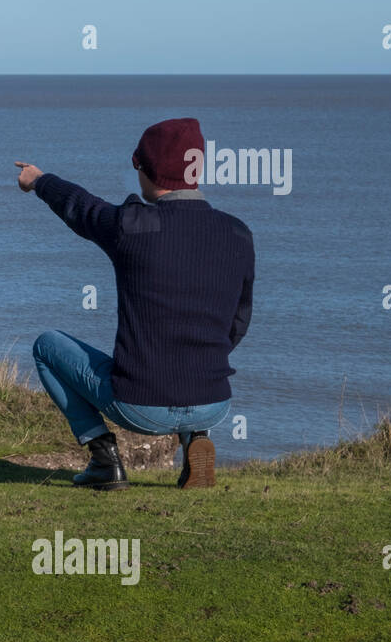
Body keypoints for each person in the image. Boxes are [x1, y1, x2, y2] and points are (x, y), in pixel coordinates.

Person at [15, 118, 254, 490]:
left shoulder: (132, 225)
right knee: (202, 349)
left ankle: (103, 458)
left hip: (140, 408)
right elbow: (238, 323)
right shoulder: (238, 233)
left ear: (143, 167)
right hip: (214, 402)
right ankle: (196, 439)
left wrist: (39, 180)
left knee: (47, 346)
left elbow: (81, 208)